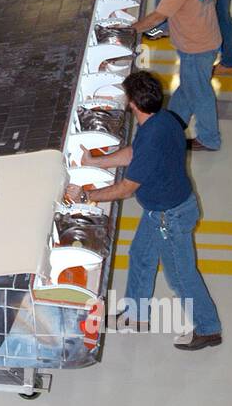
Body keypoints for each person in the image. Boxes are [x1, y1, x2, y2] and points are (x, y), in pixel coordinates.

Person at [67, 71, 221, 352]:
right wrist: (96, 161)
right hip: (162, 210)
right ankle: (136, 317)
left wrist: (87, 196)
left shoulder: (151, 137)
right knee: (140, 256)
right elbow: (132, 154)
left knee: (181, 276)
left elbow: (126, 188)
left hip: (169, 217)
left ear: (132, 103)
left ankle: (209, 329)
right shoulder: (163, 120)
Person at [133, 0, 221, 152]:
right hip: (206, 37)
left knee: (200, 93)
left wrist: (129, 30)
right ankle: (172, 125)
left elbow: (157, 16)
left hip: (195, 46)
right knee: (188, 88)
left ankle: (209, 139)